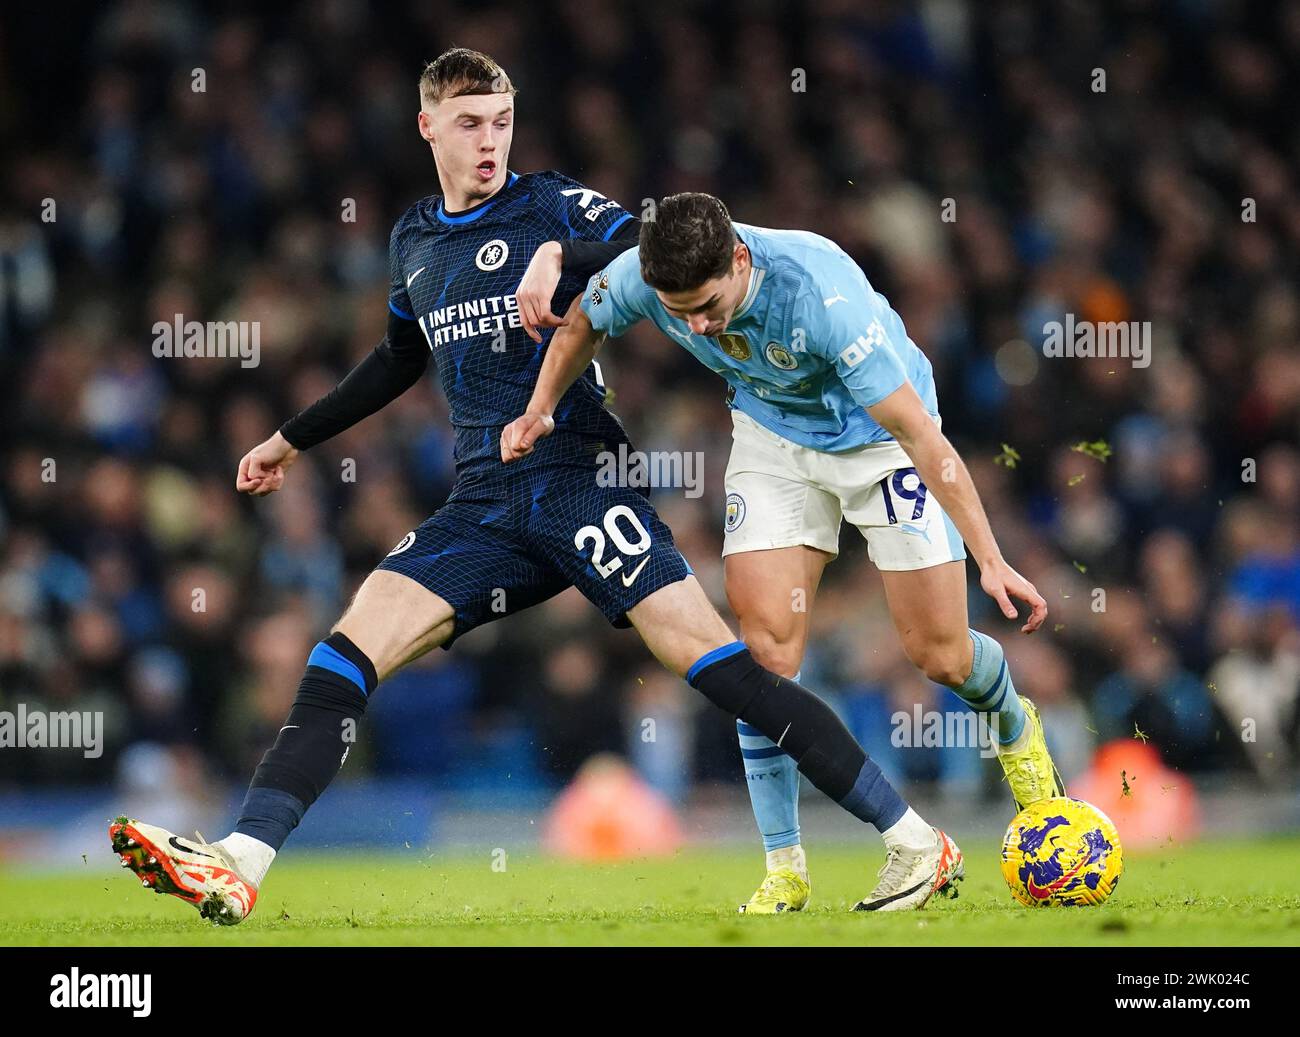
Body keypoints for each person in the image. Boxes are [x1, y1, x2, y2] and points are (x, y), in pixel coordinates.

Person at [109, 53, 962, 925]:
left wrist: (565, 251)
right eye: (471, 122)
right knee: (341, 656)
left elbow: (661, 238)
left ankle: (914, 838)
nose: (489, 141)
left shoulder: (550, 203)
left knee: (726, 670)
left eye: (502, 121)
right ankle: (240, 863)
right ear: (427, 126)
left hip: (582, 478)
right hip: (483, 502)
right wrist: (291, 438)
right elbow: (398, 360)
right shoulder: (415, 241)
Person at [502, 192, 1063, 914]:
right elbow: (583, 318)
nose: (696, 324)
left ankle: (1018, 729)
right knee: (761, 658)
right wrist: (542, 405)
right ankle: (785, 868)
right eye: (679, 312)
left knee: (943, 655)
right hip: (775, 444)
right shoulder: (654, 276)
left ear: (740, 258)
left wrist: (990, 557)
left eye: (706, 305)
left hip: (878, 445)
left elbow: (925, 440)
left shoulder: (823, 296)